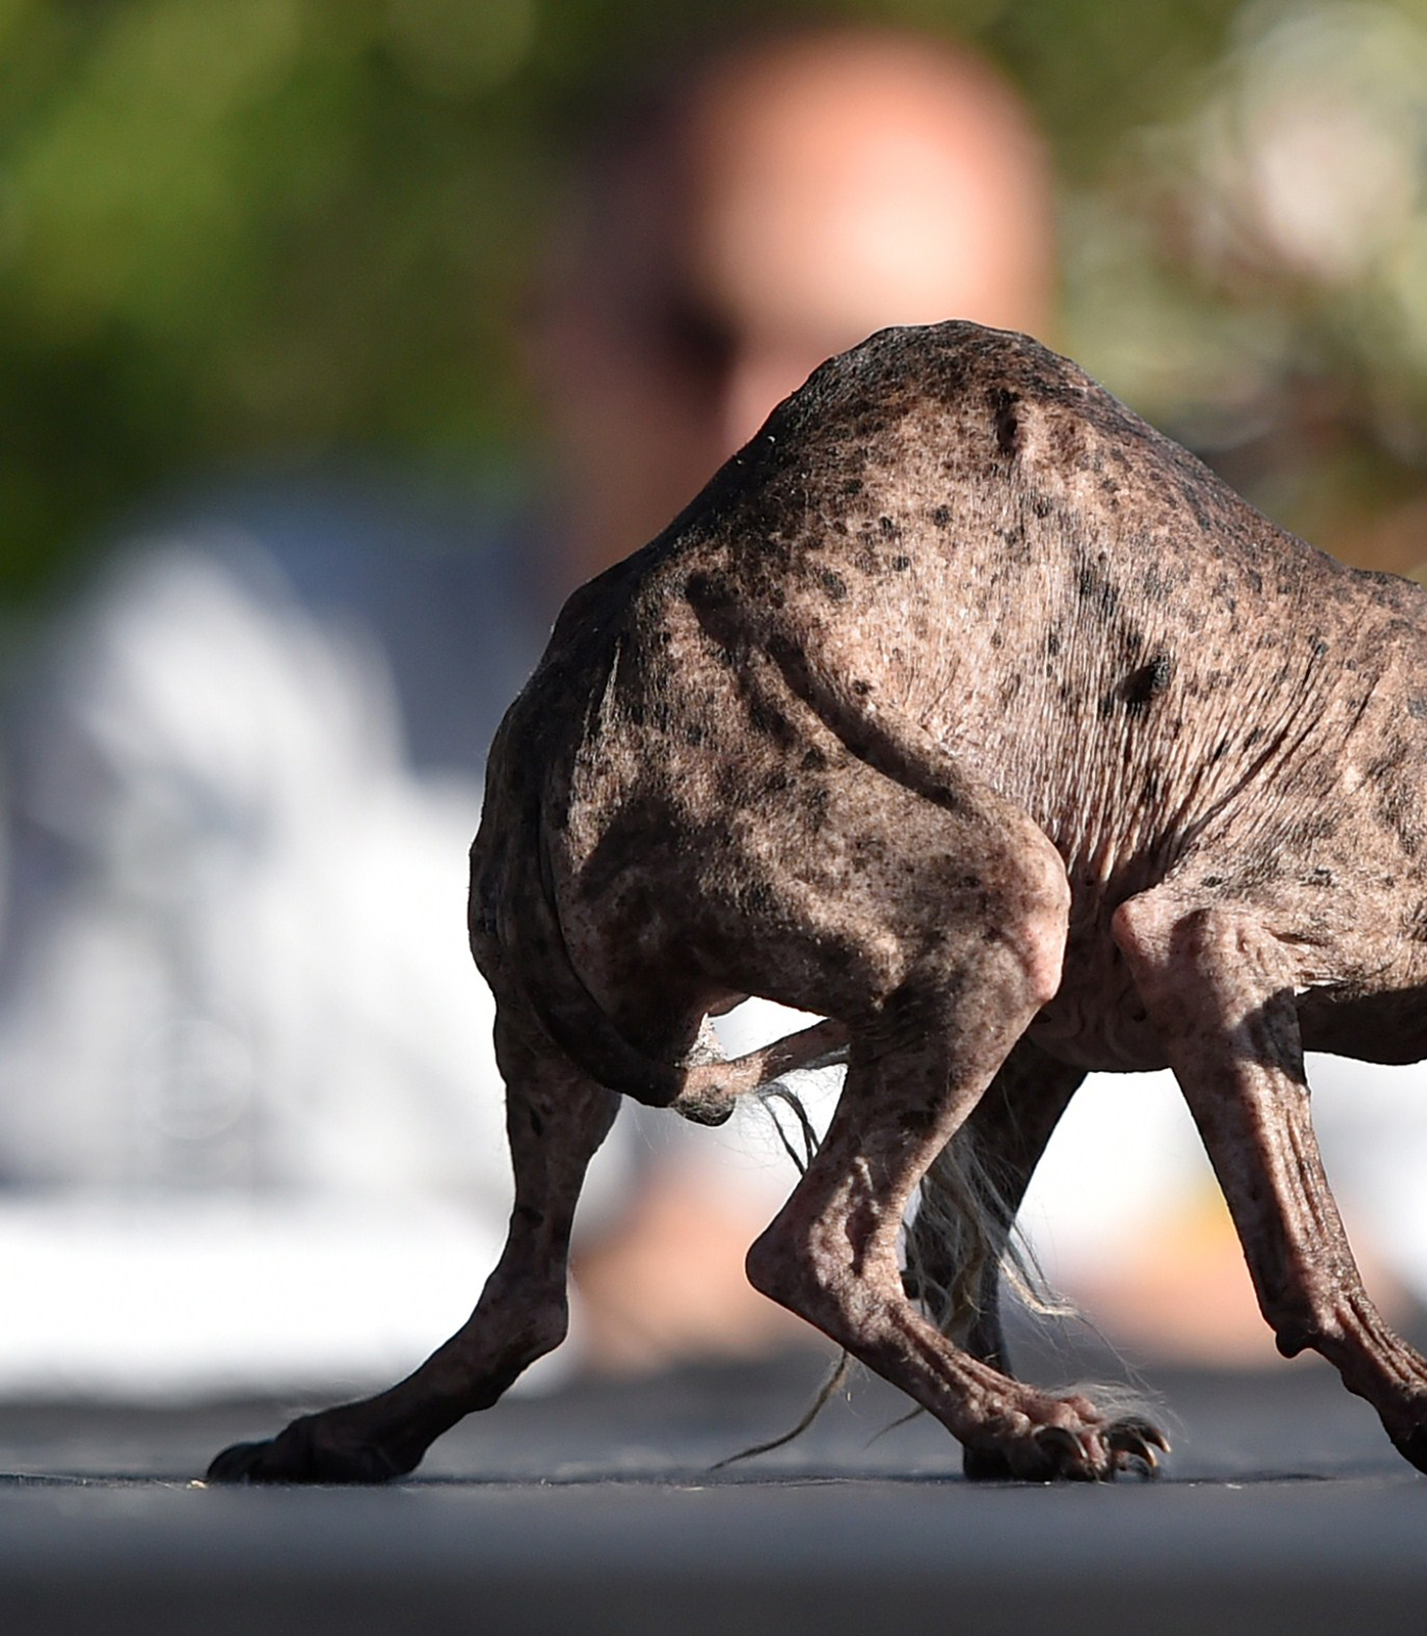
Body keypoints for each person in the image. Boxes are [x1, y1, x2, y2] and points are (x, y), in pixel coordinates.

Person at [0, 24, 1056, 1392]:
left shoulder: (1166, 746)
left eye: (868, 372)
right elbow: (46, 1252)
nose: (764, 422)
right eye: (694, 330)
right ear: (544, 319)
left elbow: (1407, 1221)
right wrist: (593, 1300)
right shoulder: (233, 673)